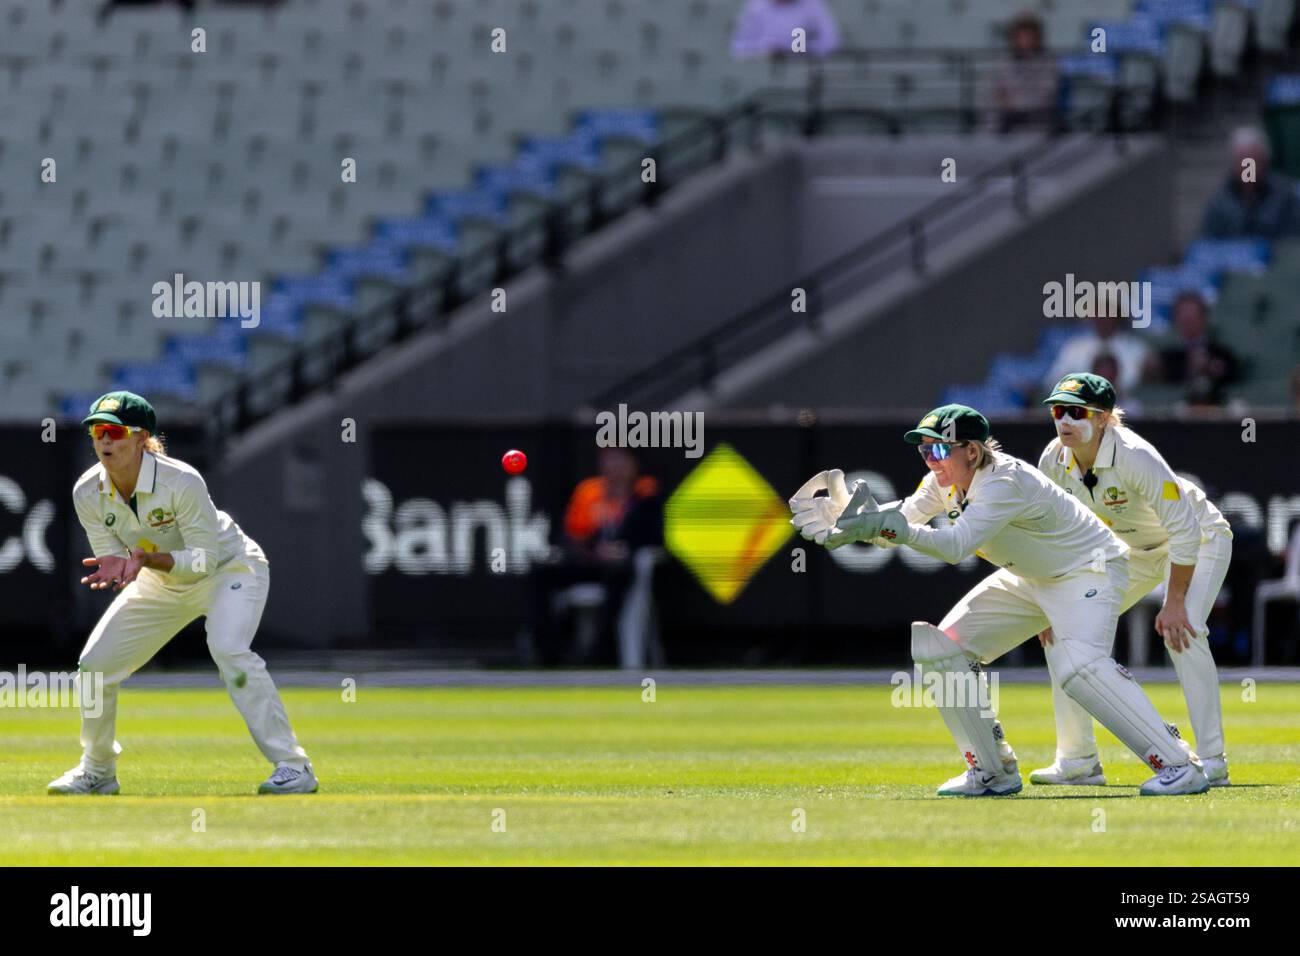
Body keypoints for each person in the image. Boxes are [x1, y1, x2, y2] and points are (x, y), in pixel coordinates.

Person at [790, 403, 1208, 796]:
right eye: (924, 451)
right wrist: (859, 523)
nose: (931, 460)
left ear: (972, 451)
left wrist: (892, 528)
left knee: (1080, 667)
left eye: (939, 449)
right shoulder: (941, 481)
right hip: (1030, 577)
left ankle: (1179, 766)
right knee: (942, 650)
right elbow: (907, 515)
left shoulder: (1003, 482)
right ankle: (993, 771)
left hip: (1088, 571)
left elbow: (954, 546)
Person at [48, 391, 317, 796]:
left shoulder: (182, 481)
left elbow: (204, 561)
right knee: (94, 668)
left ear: (142, 438)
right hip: (160, 581)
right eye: (96, 431)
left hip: (230, 569)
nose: (103, 440)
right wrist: (117, 565)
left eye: (114, 431)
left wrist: (144, 561)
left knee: (229, 651)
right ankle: (98, 769)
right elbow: (114, 555)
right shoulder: (86, 491)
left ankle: (294, 767)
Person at [1032, 373, 1232, 786]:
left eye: (1077, 412)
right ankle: (1078, 761)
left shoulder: (1135, 455)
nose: (1065, 421)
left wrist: (1174, 603)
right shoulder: (1053, 459)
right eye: (1058, 411)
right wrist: (1053, 599)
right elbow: (1050, 531)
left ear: (1104, 418)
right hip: (1129, 552)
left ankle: (1213, 760)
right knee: (1064, 635)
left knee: (1185, 631)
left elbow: (1185, 532)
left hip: (1201, 538)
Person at [529, 448, 662, 665]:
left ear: (634, 464)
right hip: (589, 562)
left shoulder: (645, 493)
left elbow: (652, 536)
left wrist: (624, 548)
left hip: (621, 568)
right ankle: (549, 655)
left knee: (619, 576)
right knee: (540, 573)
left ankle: (601, 654)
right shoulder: (589, 491)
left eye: (621, 460)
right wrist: (593, 550)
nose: (615, 467)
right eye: (609, 460)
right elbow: (570, 536)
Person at [1200, 127, 1300, 240]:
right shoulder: (1219, 201)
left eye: (1252, 162)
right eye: (1242, 162)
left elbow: (1294, 242)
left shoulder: (1285, 197)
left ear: (1264, 160)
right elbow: (1206, 243)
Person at [1150, 292, 1240, 406]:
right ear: (1176, 320)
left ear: (1204, 318)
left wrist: (1209, 367)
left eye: (1192, 316)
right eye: (1183, 316)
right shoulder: (1167, 357)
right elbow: (1163, 386)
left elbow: (1232, 377)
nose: (1187, 321)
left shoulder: (1222, 353)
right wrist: (1190, 368)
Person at [1043, 311, 1151, 394]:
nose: (1103, 318)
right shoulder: (1074, 347)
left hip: (1126, 408)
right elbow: (1052, 382)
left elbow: (1144, 389)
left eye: (1109, 312)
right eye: (1099, 313)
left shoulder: (1137, 348)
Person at [988, 11, 1059, 133]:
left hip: (1038, 121)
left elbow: (1046, 95)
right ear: (1014, 37)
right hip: (1007, 122)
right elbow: (997, 94)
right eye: (1021, 35)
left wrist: (1016, 104)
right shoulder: (1002, 64)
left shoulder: (1049, 63)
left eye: (1030, 35)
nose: (1026, 39)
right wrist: (1011, 104)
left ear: (1038, 37)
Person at [730, 0, 841, 59]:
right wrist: (766, 49)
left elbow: (831, 41)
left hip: (802, 73)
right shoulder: (756, 5)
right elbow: (739, 46)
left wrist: (805, 49)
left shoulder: (812, 4)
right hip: (762, 75)